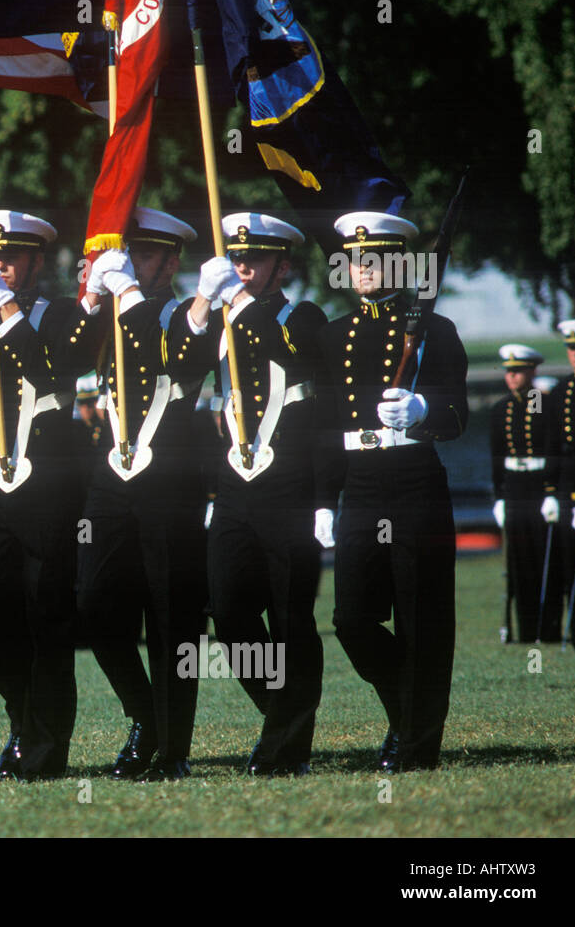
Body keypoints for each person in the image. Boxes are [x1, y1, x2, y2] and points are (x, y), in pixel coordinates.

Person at [0, 210, 105, 780]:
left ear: (38, 260)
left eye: (14, 255)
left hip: (50, 480)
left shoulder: (63, 314)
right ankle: (22, 712)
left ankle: (46, 745)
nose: (3, 264)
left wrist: (5, 308)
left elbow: (48, 368)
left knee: (47, 617)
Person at [315, 212, 469, 773]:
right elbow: (328, 426)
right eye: (354, 259)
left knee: (421, 616)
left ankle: (416, 744)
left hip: (414, 481)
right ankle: (407, 715)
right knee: (353, 618)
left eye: (372, 259)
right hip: (360, 482)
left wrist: (424, 409)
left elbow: (458, 414)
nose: (360, 268)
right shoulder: (332, 336)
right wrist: (320, 498)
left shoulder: (437, 329)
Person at [178, 212, 327, 776]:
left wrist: (235, 305)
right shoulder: (218, 319)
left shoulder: (302, 316)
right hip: (234, 488)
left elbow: (288, 349)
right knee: (231, 614)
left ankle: (285, 743)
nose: (243, 268)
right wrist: (200, 302)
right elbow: (182, 369)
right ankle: (281, 718)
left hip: (289, 485)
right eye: (236, 260)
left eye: (255, 261)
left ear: (281, 265)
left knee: (291, 617)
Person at [75, 209, 209, 781]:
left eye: (144, 255)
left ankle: (174, 747)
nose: (130, 264)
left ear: (172, 261)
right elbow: (66, 358)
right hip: (113, 475)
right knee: (97, 607)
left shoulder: (189, 312)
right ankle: (144, 715)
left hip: (171, 478)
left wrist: (126, 288)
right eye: (126, 254)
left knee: (172, 618)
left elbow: (172, 356)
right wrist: (89, 301)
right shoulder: (111, 310)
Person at [490, 343, 559, 643]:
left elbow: (555, 449)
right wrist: (499, 497)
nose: (513, 377)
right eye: (509, 372)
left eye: (518, 371)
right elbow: (496, 458)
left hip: (538, 488)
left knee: (545, 559)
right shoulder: (501, 408)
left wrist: (552, 492)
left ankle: (548, 629)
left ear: (532, 372)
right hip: (515, 490)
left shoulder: (543, 403)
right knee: (519, 563)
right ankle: (526, 630)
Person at [553, 319, 575, 649]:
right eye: (571, 349)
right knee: (570, 565)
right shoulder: (562, 391)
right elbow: (555, 446)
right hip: (568, 491)